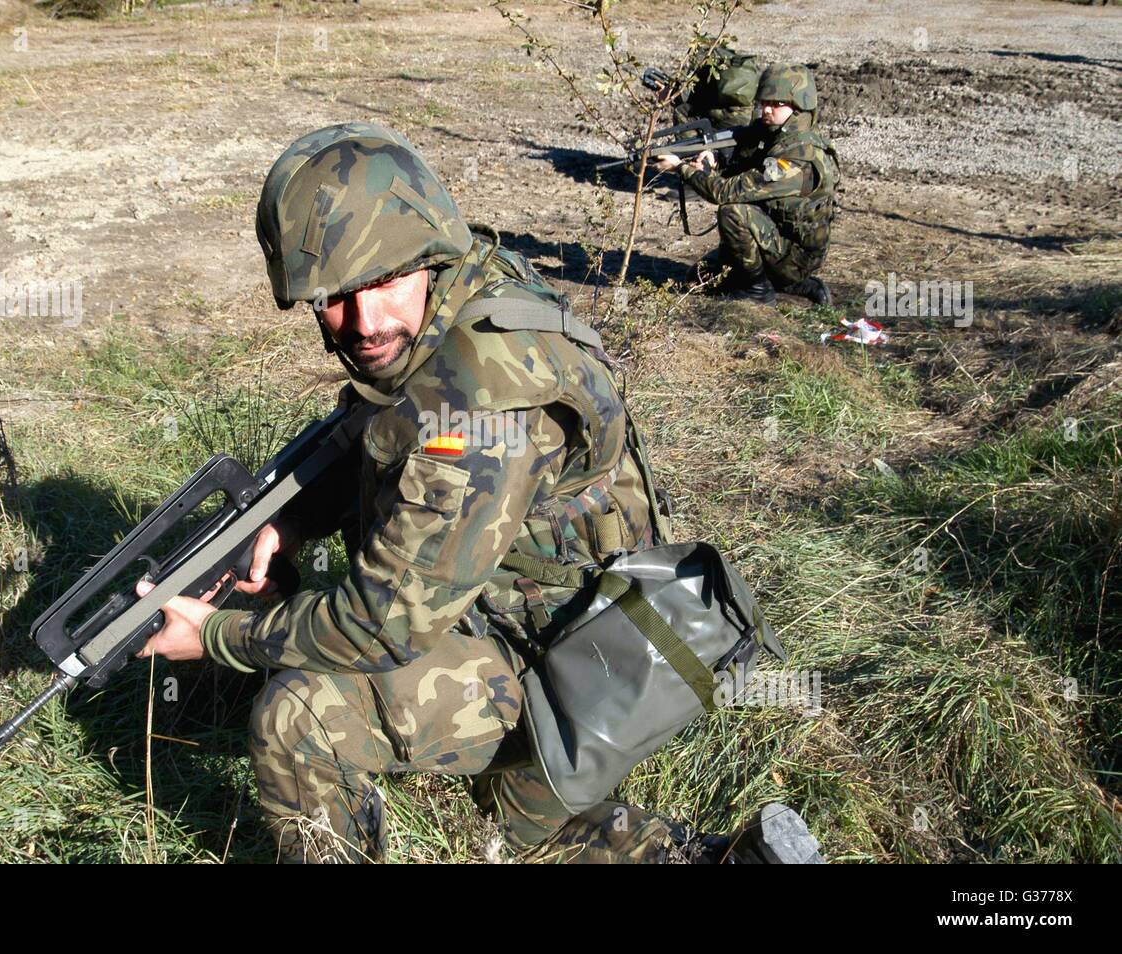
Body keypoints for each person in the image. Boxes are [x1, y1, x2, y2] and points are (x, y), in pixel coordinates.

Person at [136, 122, 822, 864]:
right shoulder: (468, 284)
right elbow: (383, 426)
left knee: (300, 716)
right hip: (553, 612)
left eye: (384, 282)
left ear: (424, 253)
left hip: (573, 658)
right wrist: (297, 520)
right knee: (524, 824)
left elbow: (380, 627)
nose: (365, 323)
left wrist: (212, 636)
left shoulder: (481, 409)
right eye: (335, 296)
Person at [653, 64, 839, 307]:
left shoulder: (797, 157)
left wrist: (681, 168)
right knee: (699, 278)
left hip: (796, 255)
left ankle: (759, 290)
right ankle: (786, 282)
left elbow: (724, 192)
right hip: (777, 236)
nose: (767, 110)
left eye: (777, 103)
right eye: (764, 102)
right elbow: (743, 155)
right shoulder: (775, 135)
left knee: (732, 212)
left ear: (798, 106)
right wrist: (715, 158)